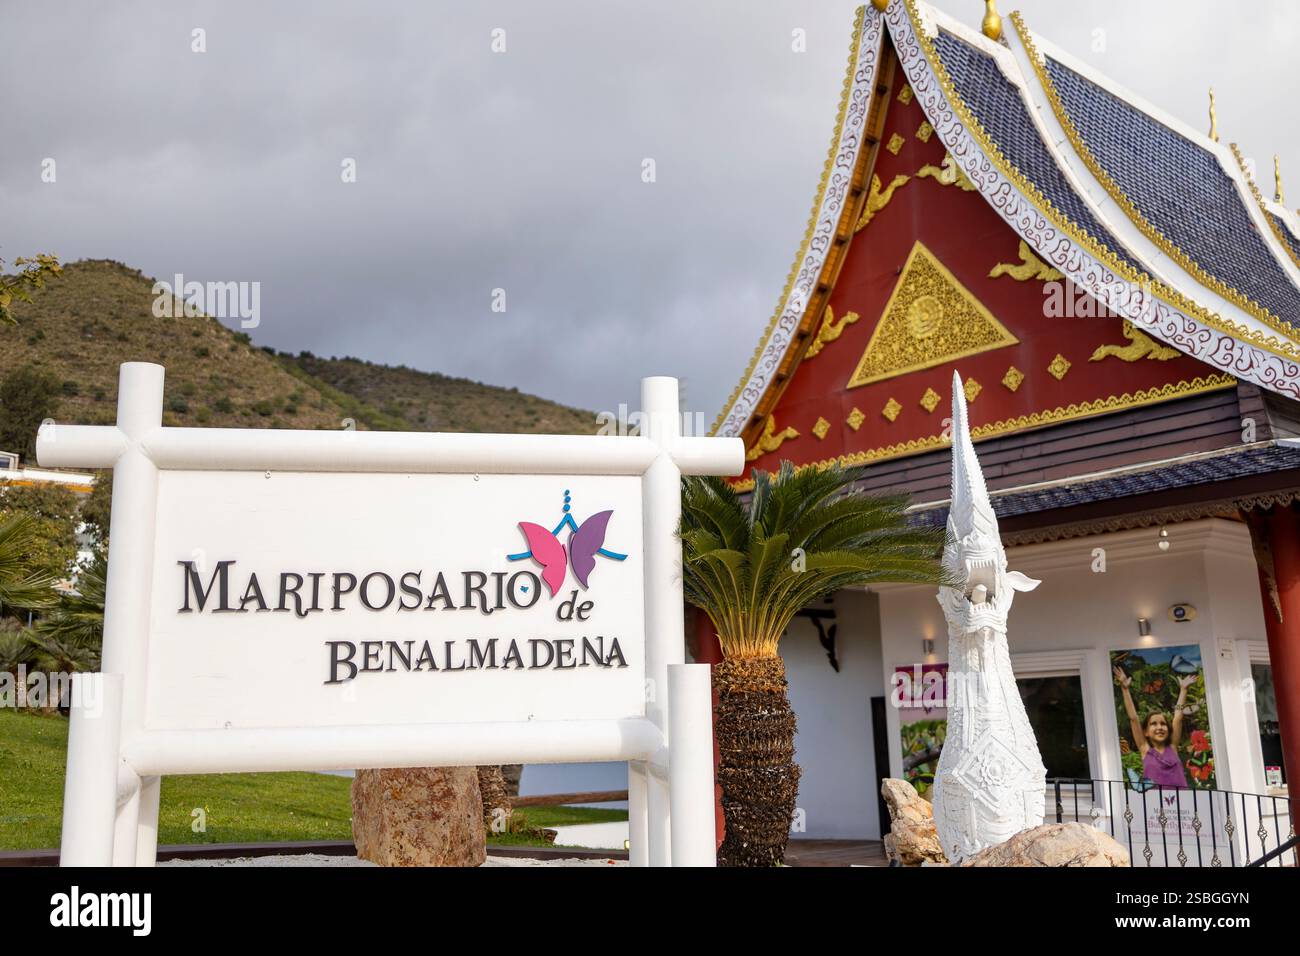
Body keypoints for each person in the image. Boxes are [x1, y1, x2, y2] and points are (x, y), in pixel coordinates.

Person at [1113, 665, 1194, 790]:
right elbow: (1134, 719)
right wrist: (1125, 689)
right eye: (1153, 724)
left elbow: (1177, 718)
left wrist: (1183, 690)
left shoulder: (1172, 747)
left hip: (1182, 805)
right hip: (1156, 806)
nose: (1159, 727)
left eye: (1163, 724)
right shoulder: (1145, 749)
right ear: (1145, 732)